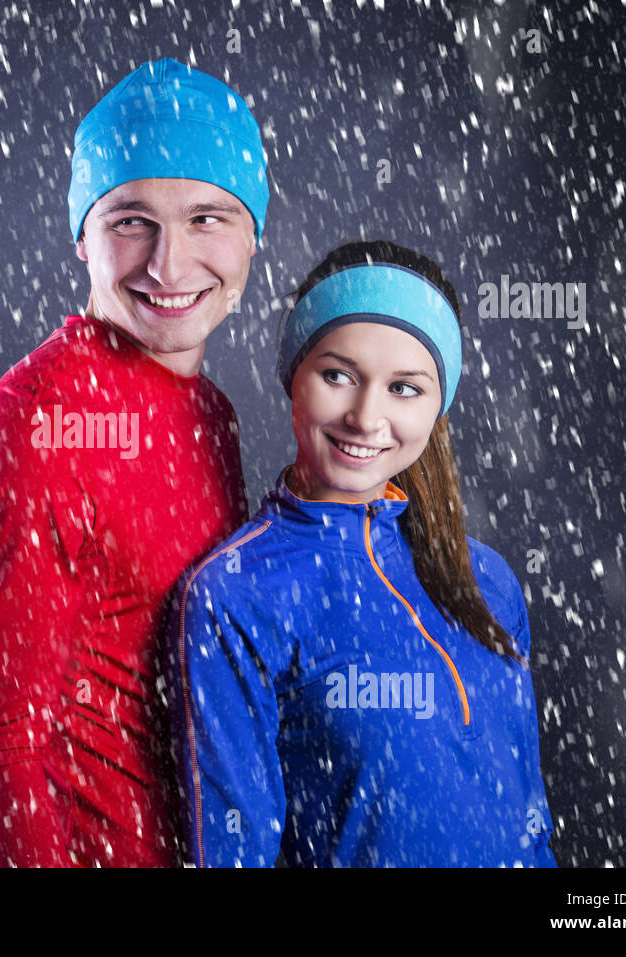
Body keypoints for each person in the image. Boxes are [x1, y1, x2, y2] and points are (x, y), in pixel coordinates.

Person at [0, 58, 269, 866]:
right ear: (81, 234)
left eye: (206, 219)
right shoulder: (38, 423)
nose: (169, 265)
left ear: (253, 240)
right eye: (131, 220)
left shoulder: (212, 414)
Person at [166, 239, 559, 867]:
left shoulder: (489, 579)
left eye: (405, 388)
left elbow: (528, 820)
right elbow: (233, 852)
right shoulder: (234, 594)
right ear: (293, 374)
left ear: (439, 406)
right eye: (338, 376)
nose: (366, 417)